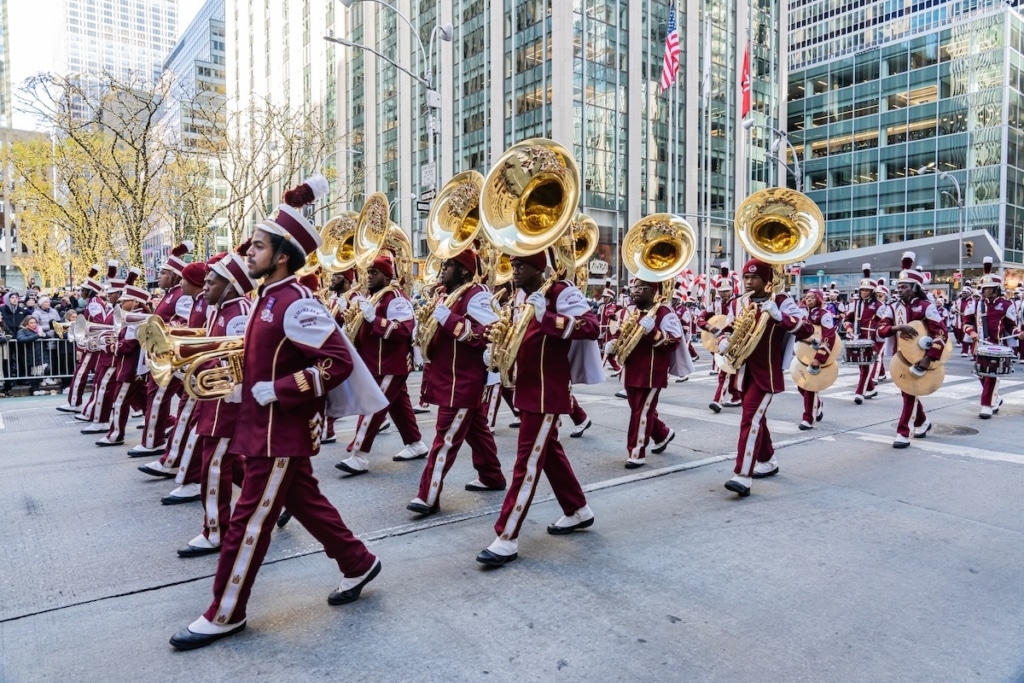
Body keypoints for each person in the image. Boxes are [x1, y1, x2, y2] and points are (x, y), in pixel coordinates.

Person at [170, 175, 386, 651]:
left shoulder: (293, 303)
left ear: (282, 255)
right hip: (261, 429)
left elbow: (338, 361)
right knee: (306, 502)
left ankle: (224, 612)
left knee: (248, 524)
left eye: (259, 246)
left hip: (278, 435)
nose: (248, 251)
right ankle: (358, 561)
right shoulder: (265, 299)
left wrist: (281, 389)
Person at [475, 250, 603, 567]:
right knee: (549, 455)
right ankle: (577, 509)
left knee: (526, 463)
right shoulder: (521, 296)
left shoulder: (561, 291)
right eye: (512, 265)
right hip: (528, 387)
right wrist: (497, 337)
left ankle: (507, 537)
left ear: (537, 268)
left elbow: (591, 327)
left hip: (548, 391)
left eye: (520, 266)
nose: (513, 271)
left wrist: (548, 318)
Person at [406, 249, 507, 516]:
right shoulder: (448, 295)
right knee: (477, 430)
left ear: (463, 270)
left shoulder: (478, 296)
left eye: (448, 265)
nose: (441, 270)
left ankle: (427, 495)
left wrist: (449, 320)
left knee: (446, 439)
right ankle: (492, 476)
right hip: (448, 377)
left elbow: (491, 335)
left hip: (462, 380)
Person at [177, 249, 257, 558]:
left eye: (212, 282)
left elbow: (236, 363)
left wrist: (200, 368)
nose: (205, 286)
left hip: (228, 400)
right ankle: (277, 503)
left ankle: (215, 531)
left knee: (214, 465)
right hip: (216, 400)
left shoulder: (237, 314)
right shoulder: (222, 309)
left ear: (231, 284)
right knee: (231, 463)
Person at [721, 258, 813, 497]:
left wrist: (780, 317)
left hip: (766, 371)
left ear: (766, 280)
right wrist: (723, 338)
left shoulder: (781, 300)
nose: (749, 282)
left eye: (754, 278)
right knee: (755, 418)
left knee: (750, 418)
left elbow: (807, 329)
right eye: (746, 278)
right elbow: (731, 328)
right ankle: (768, 458)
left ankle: (742, 475)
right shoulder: (738, 302)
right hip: (741, 370)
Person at [335, 252, 427, 475]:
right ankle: (415, 444)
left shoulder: (395, 297)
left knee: (372, 406)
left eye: (374, 273)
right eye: (368, 272)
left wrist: (373, 320)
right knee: (399, 406)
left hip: (390, 364)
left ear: (387, 276)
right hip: (376, 364)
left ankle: (359, 455)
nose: (368, 277)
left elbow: (403, 329)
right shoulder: (373, 297)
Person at [875, 252, 948, 448]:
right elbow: (880, 330)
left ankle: (903, 432)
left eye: (904, 287)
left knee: (908, 393)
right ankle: (922, 421)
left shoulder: (926, 306)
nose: (900, 290)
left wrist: (930, 357)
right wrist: (897, 328)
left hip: (921, 357)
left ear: (915, 288)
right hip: (901, 357)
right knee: (907, 392)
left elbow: (941, 333)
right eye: (898, 287)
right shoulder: (892, 308)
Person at [130, 242, 194, 456]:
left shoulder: (181, 295)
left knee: (158, 396)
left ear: (174, 275)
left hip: (172, 354)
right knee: (164, 396)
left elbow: (184, 323)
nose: (159, 276)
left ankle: (153, 441)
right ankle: (171, 431)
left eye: (163, 273)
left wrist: (158, 329)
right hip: (163, 353)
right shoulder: (170, 294)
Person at [615, 279, 681, 469]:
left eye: (640, 289)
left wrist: (654, 331)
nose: (634, 292)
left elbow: (674, 342)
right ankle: (662, 434)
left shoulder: (665, 312)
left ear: (652, 291)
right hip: (630, 370)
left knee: (641, 412)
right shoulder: (631, 311)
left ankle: (636, 452)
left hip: (652, 372)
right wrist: (613, 343)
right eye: (633, 288)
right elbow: (621, 332)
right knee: (639, 409)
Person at [95, 268, 150, 447]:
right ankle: (168, 422)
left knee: (120, 402)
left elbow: (128, 344)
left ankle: (116, 434)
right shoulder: (131, 317)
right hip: (130, 367)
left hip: (131, 367)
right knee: (144, 401)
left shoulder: (139, 318)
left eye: (124, 300)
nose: (120, 302)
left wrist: (109, 346)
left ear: (135, 302)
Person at [963, 257, 1018, 419]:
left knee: (991, 375)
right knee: (982, 373)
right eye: (985, 288)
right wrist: (971, 332)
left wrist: (1018, 332)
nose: (987, 291)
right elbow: (966, 322)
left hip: (996, 345)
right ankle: (996, 398)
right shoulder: (975, 304)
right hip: (978, 343)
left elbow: (1010, 326)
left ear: (997, 289)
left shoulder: (1007, 305)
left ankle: (986, 404)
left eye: (990, 288)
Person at [698, 275, 743, 411]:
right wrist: (710, 327)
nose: (724, 293)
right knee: (728, 369)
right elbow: (700, 318)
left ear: (732, 290)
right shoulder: (715, 305)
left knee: (725, 370)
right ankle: (736, 396)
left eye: (727, 290)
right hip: (720, 341)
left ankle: (718, 400)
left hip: (736, 340)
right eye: (722, 290)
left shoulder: (739, 302)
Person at [796, 289, 836, 430]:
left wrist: (819, 358)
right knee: (800, 385)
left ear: (818, 299)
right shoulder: (802, 313)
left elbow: (828, 337)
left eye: (812, 297)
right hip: (803, 353)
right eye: (806, 297)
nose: (808, 300)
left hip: (816, 354)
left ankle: (808, 418)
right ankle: (817, 405)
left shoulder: (825, 315)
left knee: (810, 387)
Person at [843, 264, 882, 404]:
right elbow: (847, 319)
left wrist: (879, 333)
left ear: (872, 291)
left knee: (866, 366)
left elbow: (884, 323)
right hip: (857, 337)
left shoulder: (879, 306)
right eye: (862, 290)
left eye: (866, 290)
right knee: (861, 365)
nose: (863, 292)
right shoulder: (856, 304)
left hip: (872, 339)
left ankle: (859, 392)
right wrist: (849, 328)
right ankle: (871, 389)